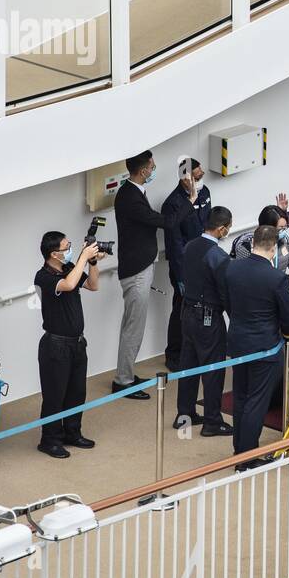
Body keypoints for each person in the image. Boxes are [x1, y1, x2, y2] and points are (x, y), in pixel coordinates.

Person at [223, 226, 289, 465]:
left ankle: (239, 449)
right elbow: (288, 316)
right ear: (274, 248)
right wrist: (288, 334)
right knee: (257, 401)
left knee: (241, 397)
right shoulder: (276, 278)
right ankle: (248, 457)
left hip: (237, 341)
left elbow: (228, 302)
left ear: (253, 242)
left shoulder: (232, 268)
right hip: (265, 346)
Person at [114, 150, 180, 400]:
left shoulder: (132, 192)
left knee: (132, 325)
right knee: (134, 327)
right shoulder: (130, 197)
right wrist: (188, 200)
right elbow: (164, 222)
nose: (153, 170)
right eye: (151, 167)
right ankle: (123, 380)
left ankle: (126, 374)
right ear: (143, 171)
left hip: (139, 267)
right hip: (136, 270)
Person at [33, 231, 102, 459]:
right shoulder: (43, 276)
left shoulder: (69, 266)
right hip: (55, 345)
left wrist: (91, 262)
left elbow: (93, 285)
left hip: (77, 343)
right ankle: (49, 439)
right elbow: (70, 285)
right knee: (55, 395)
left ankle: (72, 432)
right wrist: (83, 256)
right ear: (54, 254)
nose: (70, 250)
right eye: (66, 247)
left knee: (76, 392)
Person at [175, 206, 234, 436]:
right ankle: (212, 420)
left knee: (188, 367)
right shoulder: (218, 256)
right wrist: (235, 318)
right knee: (212, 369)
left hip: (187, 313)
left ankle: (185, 415)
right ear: (221, 229)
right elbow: (225, 293)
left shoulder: (190, 246)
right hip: (208, 318)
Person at [162, 158, 211, 373]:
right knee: (181, 309)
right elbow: (174, 244)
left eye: (201, 176)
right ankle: (174, 354)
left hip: (205, 259)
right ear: (185, 178)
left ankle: (199, 350)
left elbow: (208, 224)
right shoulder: (172, 204)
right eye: (196, 177)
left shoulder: (205, 192)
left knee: (206, 307)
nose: (200, 180)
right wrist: (181, 275)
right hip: (184, 265)